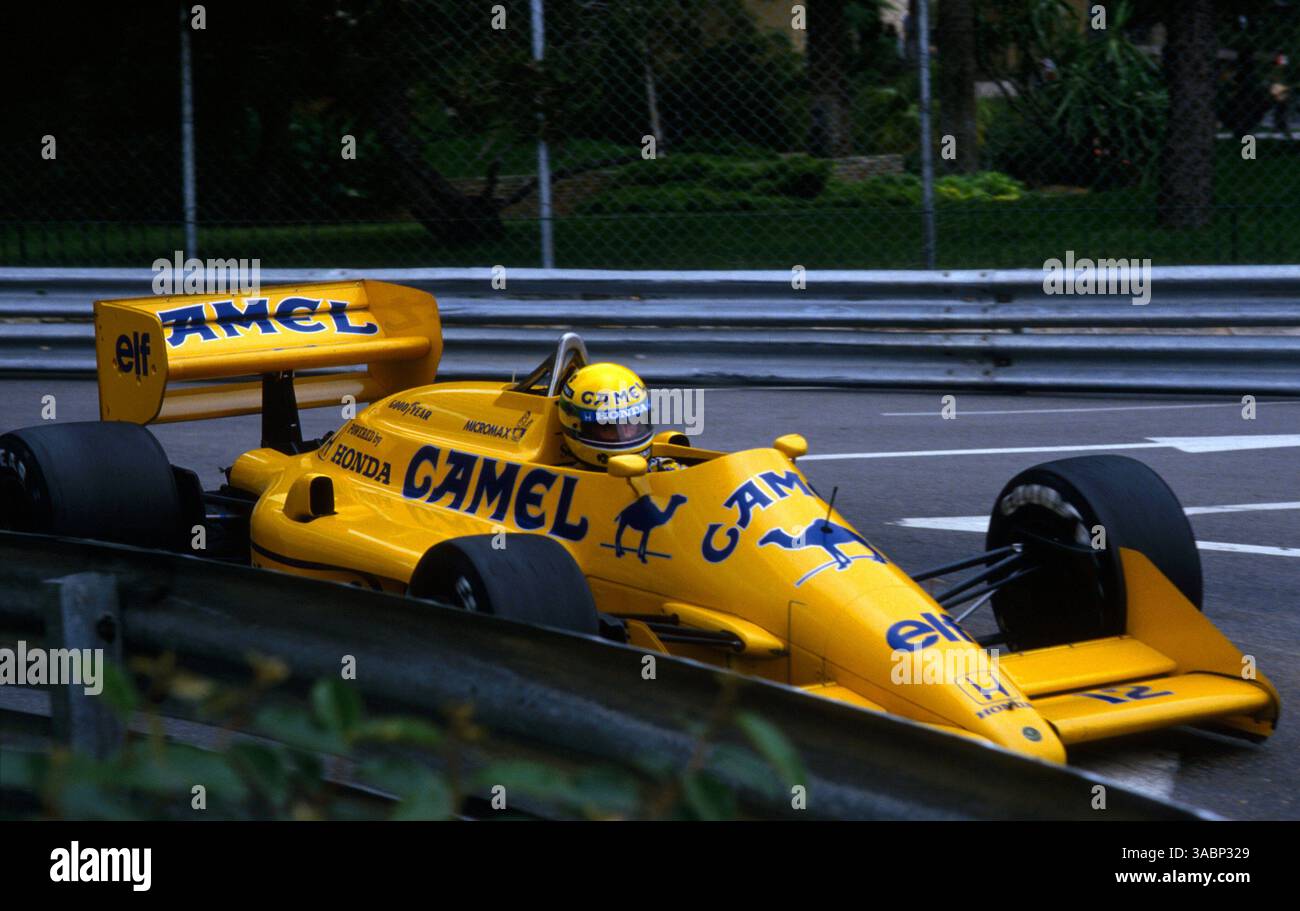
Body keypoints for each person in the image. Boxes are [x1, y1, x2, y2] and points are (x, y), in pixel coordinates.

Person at [557, 362, 677, 471]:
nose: (626, 434)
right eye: (607, 427)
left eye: (631, 422)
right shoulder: (556, 483)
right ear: (575, 427)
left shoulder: (665, 469)